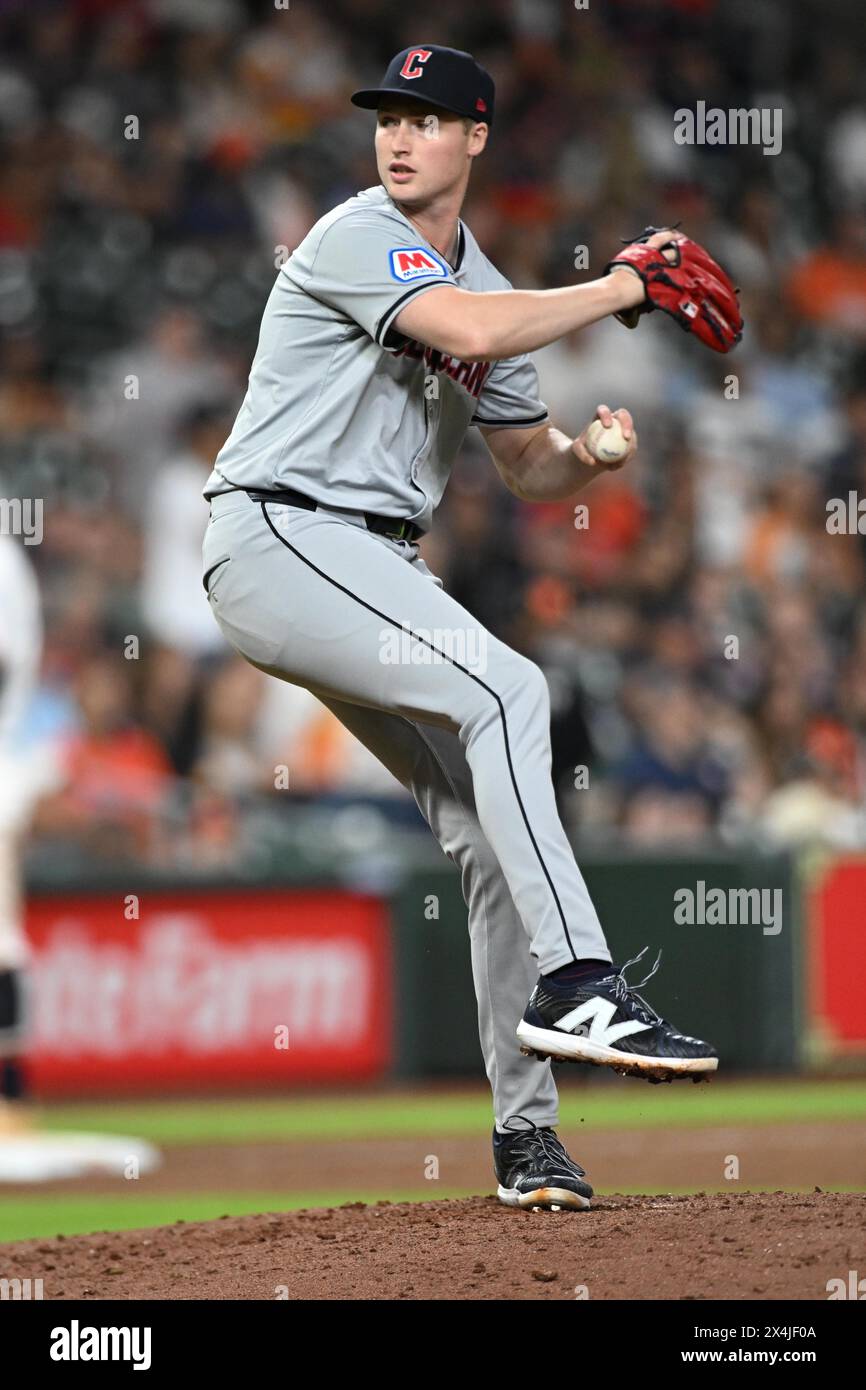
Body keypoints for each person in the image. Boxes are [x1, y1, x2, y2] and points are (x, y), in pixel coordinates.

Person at [201, 45, 717, 1212]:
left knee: (489, 838)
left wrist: (582, 459)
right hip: (280, 533)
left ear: (476, 138)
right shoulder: (350, 235)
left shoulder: (480, 274)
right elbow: (471, 334)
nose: (398, 136)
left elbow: (522, 459)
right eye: (387, 114)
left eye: (428, 120)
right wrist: (625, 287)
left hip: (366, 561)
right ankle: (582, 977)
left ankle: (523, 1143)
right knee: (510, 691)